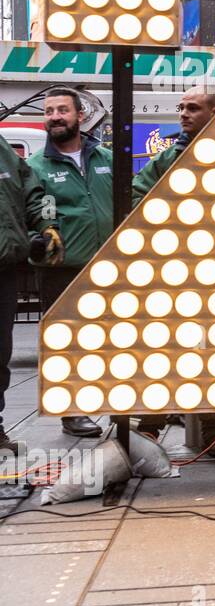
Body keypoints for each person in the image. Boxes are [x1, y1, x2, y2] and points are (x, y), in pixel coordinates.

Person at [131, 87, 215, 450]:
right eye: (181, 108)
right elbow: (138, 195)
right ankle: (150, 428)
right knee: (169, 345)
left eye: (193, 108)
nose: (184, 114)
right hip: (176, 266)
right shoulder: (168, 158)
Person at [28, 86, 112, 439]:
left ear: (81, 115)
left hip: (108, 265)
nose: (55, 117)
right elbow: (33, 208)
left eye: (62, 110)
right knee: (67, 342)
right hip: (63, 269)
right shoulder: (35, 166)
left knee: (109, 339)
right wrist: (44, 234)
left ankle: (115, 404)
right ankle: (73, 412)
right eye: (49, 112)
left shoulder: (106, 157)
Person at [0, 138, 63, 451]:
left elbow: (35, 195)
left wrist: (46, 225)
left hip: (5, 268)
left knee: (0, 353)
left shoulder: (4, 152)